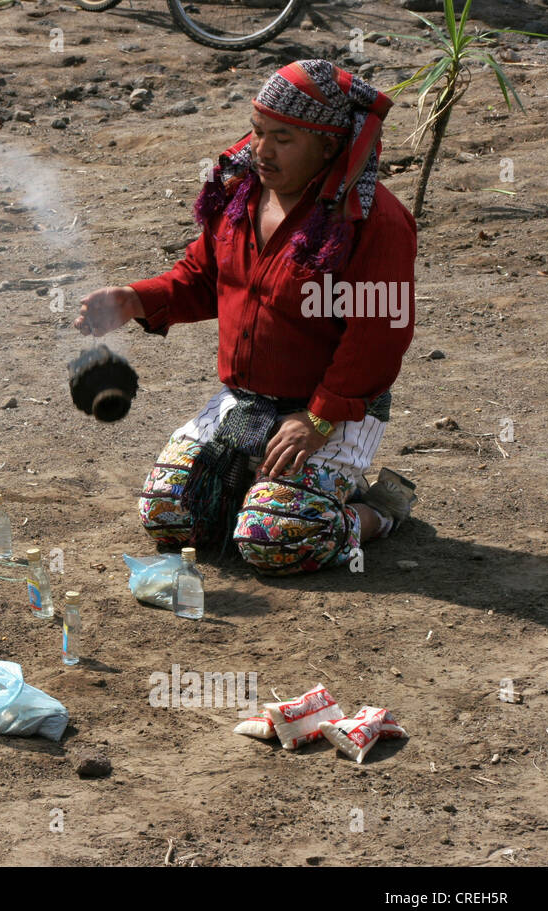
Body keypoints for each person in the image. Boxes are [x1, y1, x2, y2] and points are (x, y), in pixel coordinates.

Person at [77, 59, 418, 576]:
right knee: (170, 516)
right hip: (247, 400)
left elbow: (378, 337)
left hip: (333, 408)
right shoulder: (240, 194)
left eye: (283, 139)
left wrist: (319, 418)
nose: (261, 150)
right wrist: (135, 300)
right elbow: (206, 278)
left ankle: (378, 511)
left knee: (276, 542)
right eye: (258, 132)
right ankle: (266, 485)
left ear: (329, 145)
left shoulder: (373, 224)